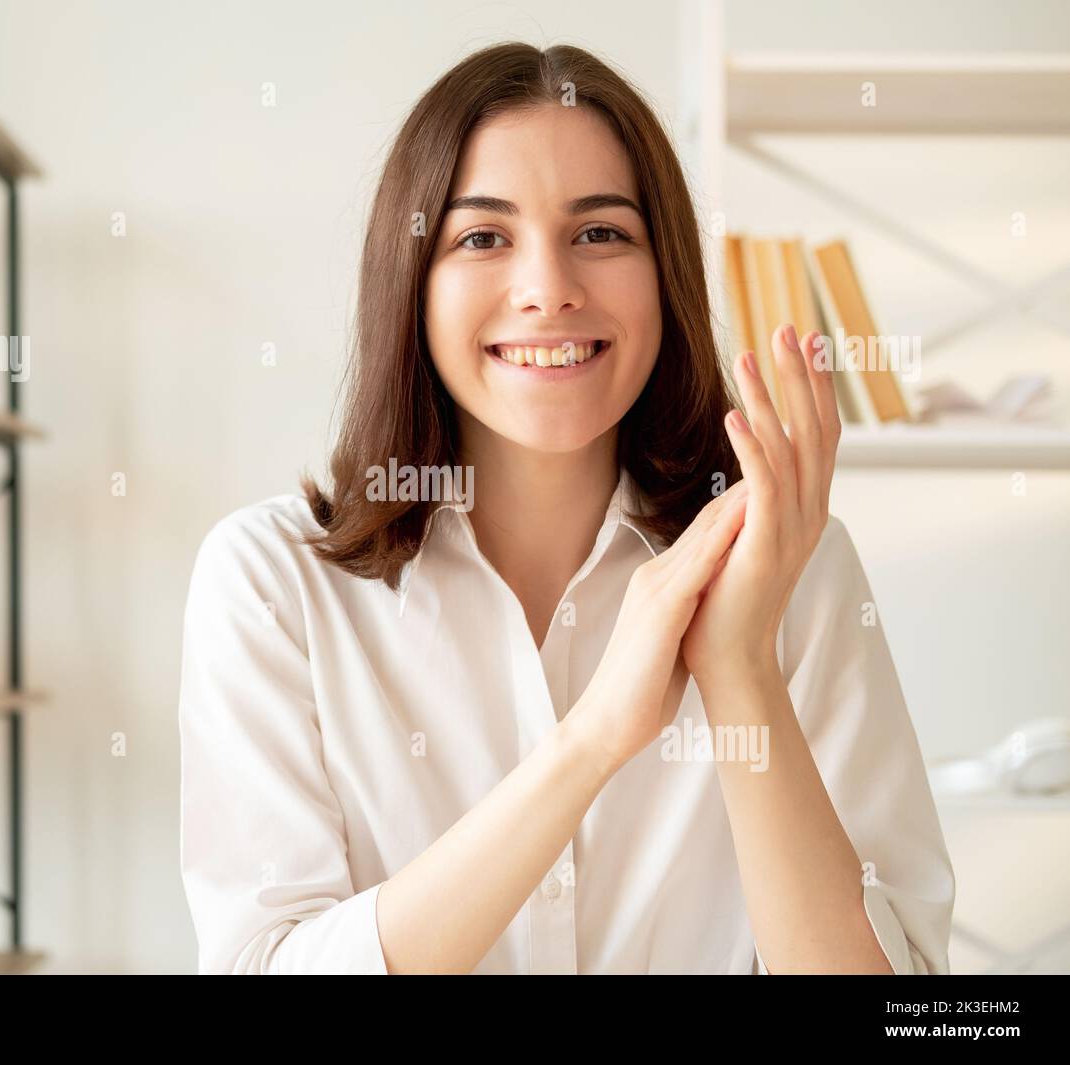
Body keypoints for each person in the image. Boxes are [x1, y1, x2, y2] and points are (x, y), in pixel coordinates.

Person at [178, 41, 955, 974]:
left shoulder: (794, 562)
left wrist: (741, 665)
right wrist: (588, 744)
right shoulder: (271, 583)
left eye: (601, 233)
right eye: (482, 237)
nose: (548, 289)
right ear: (411, 282)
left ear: (665, 272)